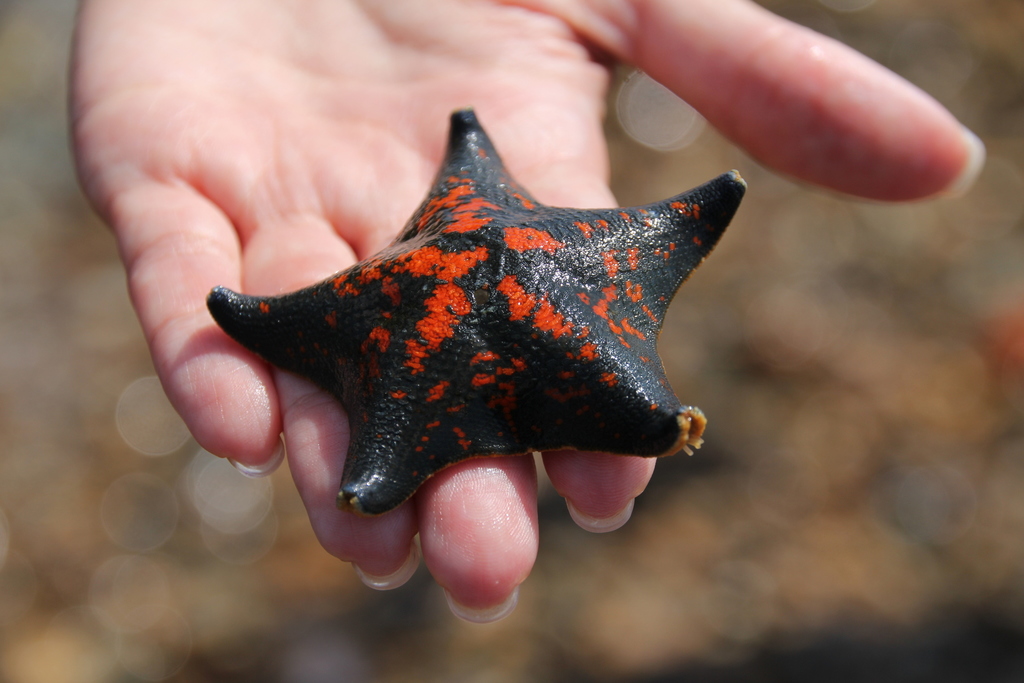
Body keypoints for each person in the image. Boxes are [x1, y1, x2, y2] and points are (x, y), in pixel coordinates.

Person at [70, 0, 984, 623]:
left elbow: (472, 204)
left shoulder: (450, 256)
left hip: (448, 278)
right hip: (457, 278)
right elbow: (372, 416)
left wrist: (652, 418)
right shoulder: (462, 259)